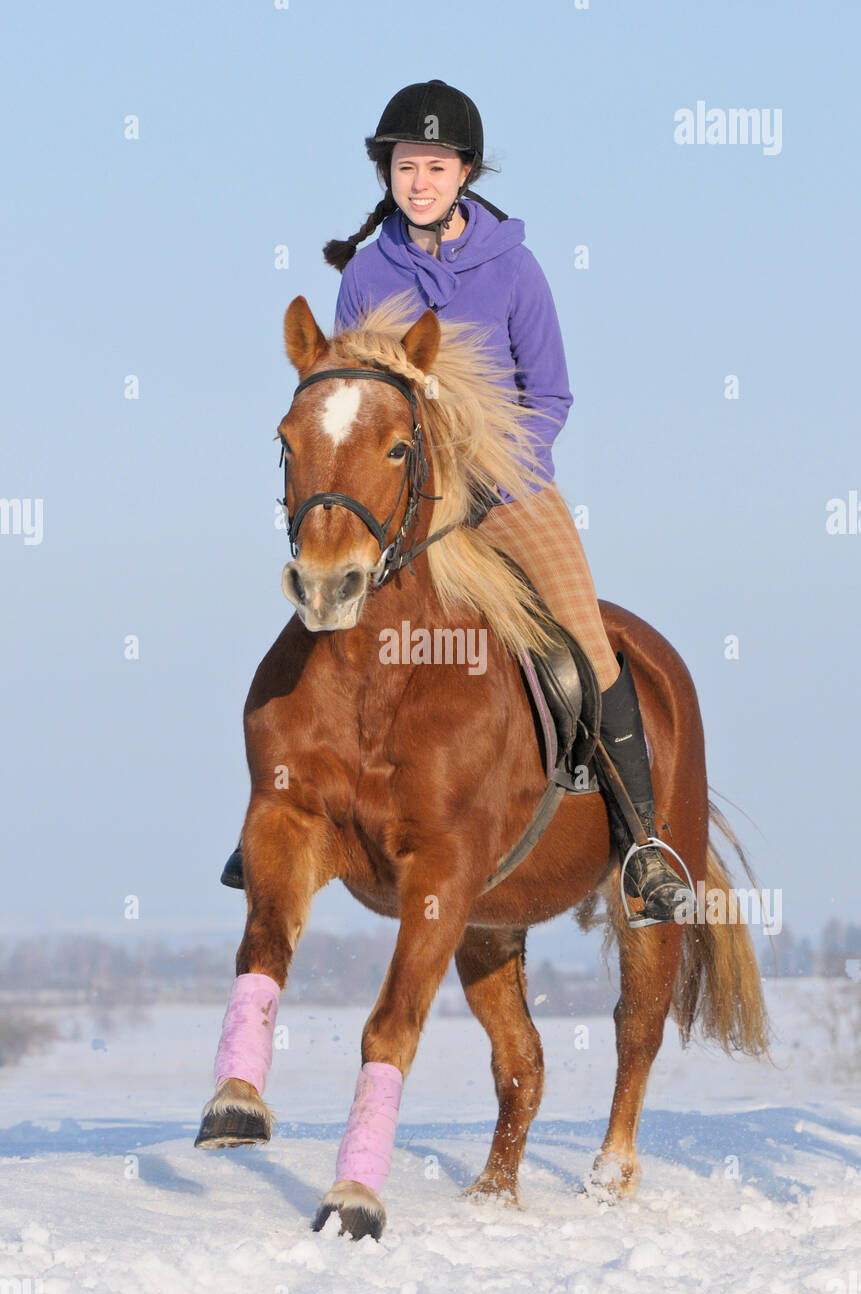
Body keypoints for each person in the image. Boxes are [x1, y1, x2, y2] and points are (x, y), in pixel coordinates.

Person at [222, 79, 695, 925]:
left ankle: (644, 843)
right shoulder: (368, 273)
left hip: (508, 490)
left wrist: (496, 478)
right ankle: (283, 808)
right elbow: (351, 395)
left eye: (436, 167)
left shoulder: (516, 269)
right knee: (328, 612)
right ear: (388, 174)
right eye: (407, 166)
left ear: (465, 172)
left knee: (587, 641)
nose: (421, 181)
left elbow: (550, 396)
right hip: (401, 500)